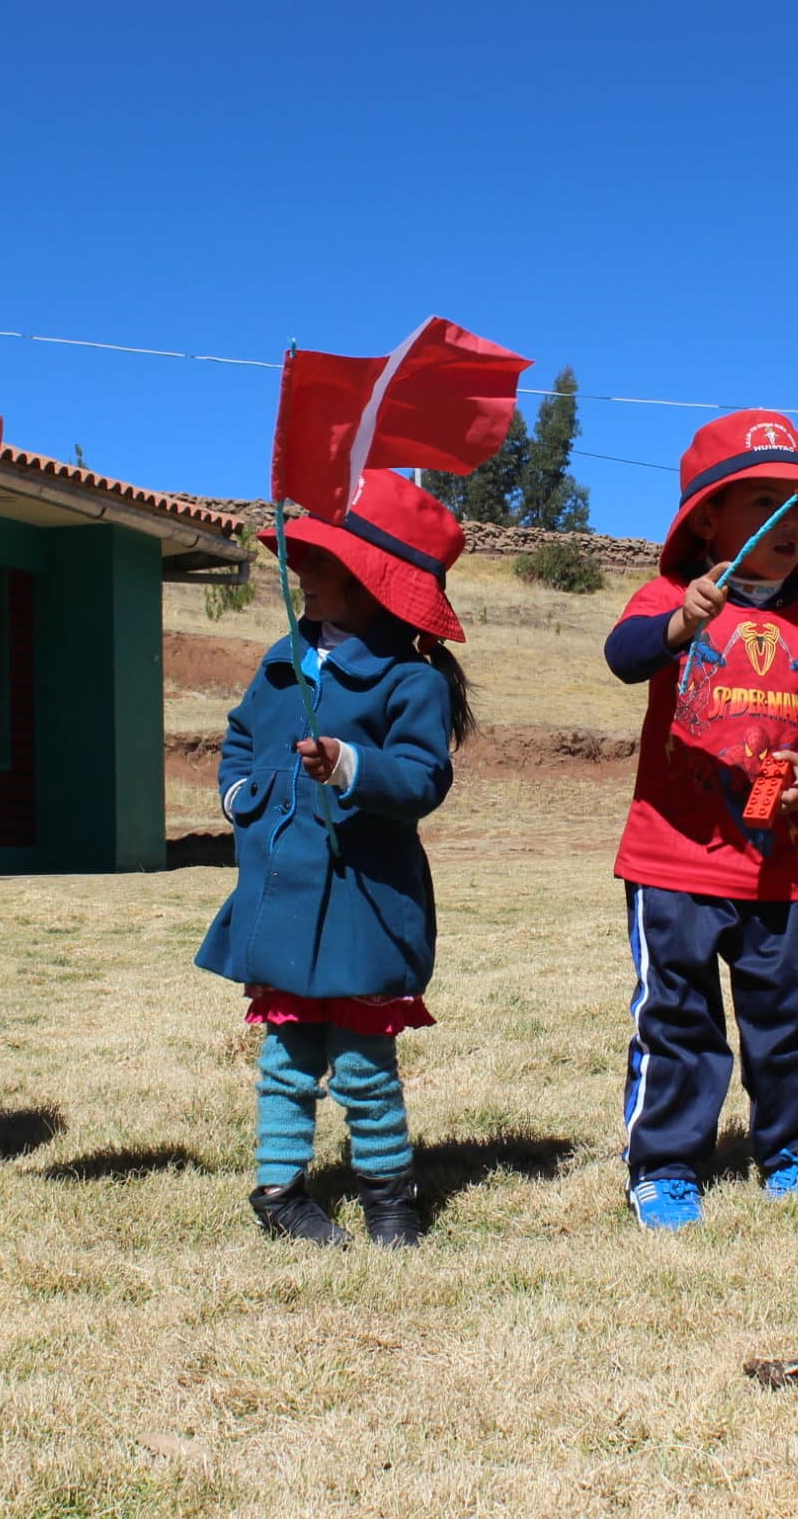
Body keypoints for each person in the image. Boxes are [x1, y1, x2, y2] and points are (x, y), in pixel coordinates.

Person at [604, 412, 798, 1230]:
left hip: (777, 864)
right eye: (761, 503)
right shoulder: (668, 599)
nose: (785, 525)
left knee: (787, 1012)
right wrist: (681, 624)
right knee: (676, 1016)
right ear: (709, 519)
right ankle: (665, 1164)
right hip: (672, 861)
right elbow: (625, 656)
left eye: (796, 508)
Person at [196, 474, 472, 1249]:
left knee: (360, 1058)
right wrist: (240, 795)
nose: (303, 575)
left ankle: (389, 1196)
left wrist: (351, 763)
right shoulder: (280, 662)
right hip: (284, 886)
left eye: (323, 563)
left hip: (361, 895)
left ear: (373, 584)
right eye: (306, 559)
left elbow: (423, 778)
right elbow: (241, 737)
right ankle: (279, 1188)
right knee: (286, 1051)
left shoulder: (410, 680)